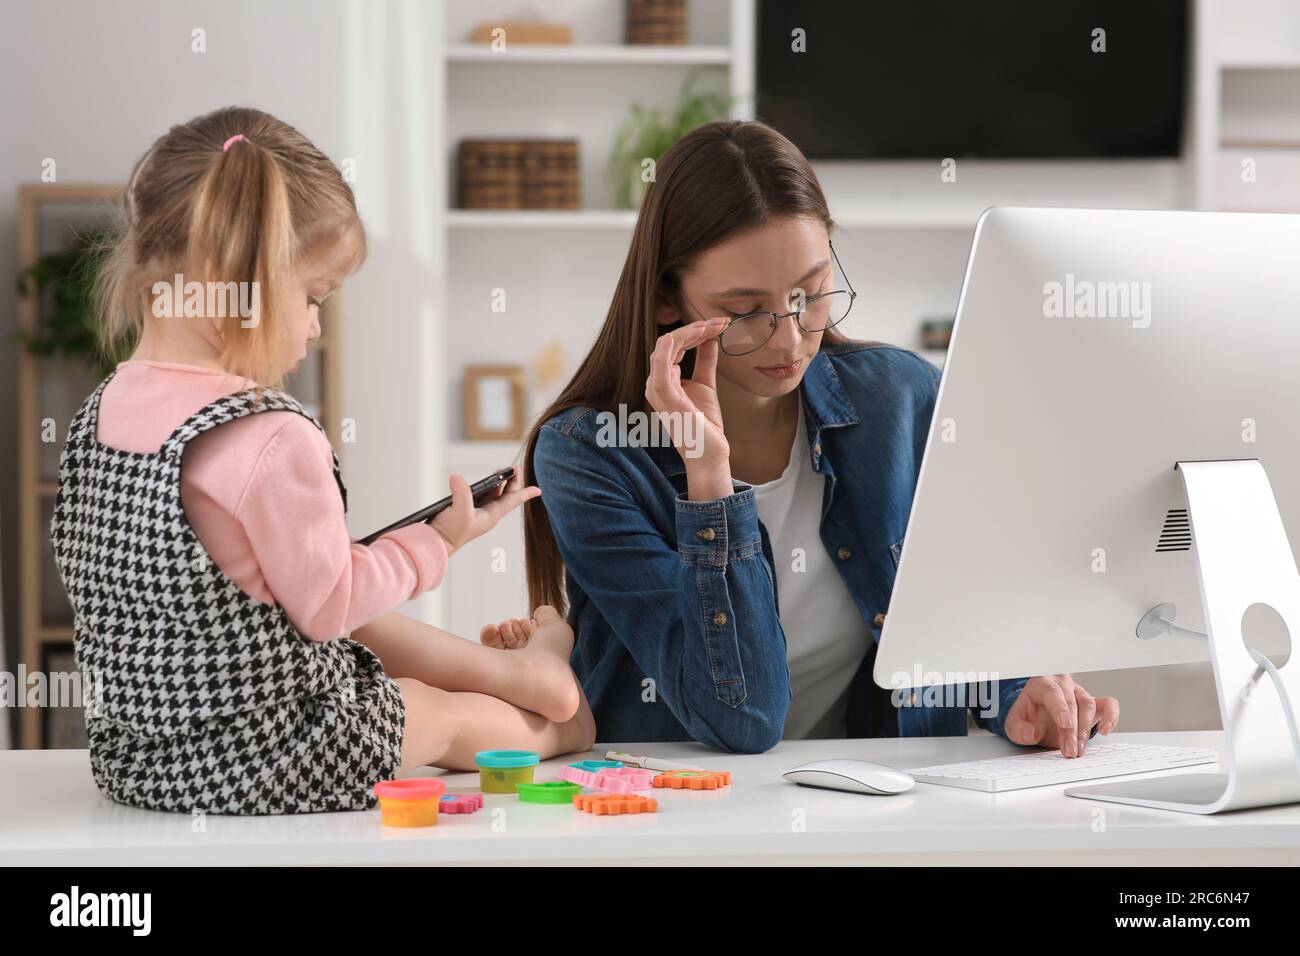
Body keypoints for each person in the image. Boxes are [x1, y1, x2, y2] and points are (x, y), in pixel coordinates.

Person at [505, 120, 1119, 754]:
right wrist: (710, 483)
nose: (790, 338)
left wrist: (1018, 695)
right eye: (745, 310)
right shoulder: (590, 452)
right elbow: (739, 718)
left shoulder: (900, 399)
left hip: (875, 808)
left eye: (811, 293)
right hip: (669, 810)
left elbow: (957, 616)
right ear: (667, 299)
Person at [50, 105, 594, 815]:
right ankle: (557, 703)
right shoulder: (270, 434)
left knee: (326, 614)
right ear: (233, 276)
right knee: (432, 710)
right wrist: (439, 540)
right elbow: (331, 605)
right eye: (312, 297)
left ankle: (513, 673)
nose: (314, 324)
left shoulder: (98, 417)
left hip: (140, 763)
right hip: (280, 754)